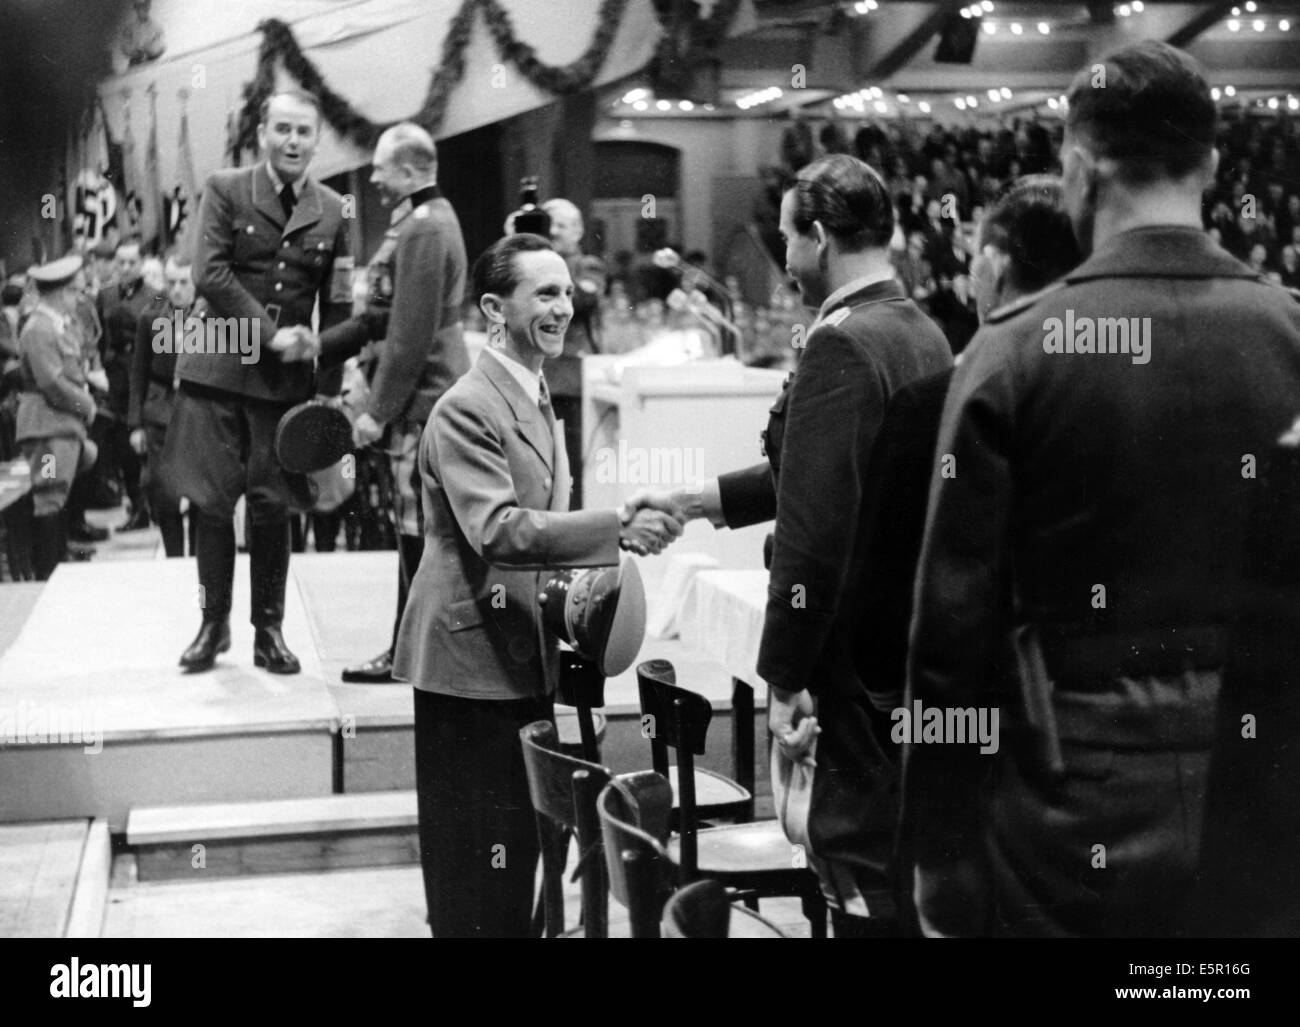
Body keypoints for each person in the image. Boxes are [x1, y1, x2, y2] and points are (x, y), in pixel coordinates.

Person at [903, 40, 1300, 937]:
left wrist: (938, 851)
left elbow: (949, 640)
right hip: (1267, 805)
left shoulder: (1013, 351)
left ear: (1077, 169)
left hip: (1070, 816)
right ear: (1211, 164)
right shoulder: (1292, 337)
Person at [632, 155, 953, 936]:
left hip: (849, 662)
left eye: (787, 239)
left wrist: (784, 677)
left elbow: (812, 533)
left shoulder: (842, 343)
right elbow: (804, 470)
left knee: (853, 871)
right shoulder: (921, 330)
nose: (784, 258)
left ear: (818, 237)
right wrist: (696, 501)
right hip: (904, 654)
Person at [392, 233, 683, 937]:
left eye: (566, 290)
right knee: (474, 870)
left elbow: (542, 525)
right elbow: (500, 531)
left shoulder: (534, 389)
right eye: (544, 293)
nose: (564, 304)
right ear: (494, 307)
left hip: (516, 653)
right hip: (466, 664)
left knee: (518, 854)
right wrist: (615, 525)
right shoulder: (467, 406)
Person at [863, 176, 1082, 935]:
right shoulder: (1115, 383)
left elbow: (889, 609)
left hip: (977, 757)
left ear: (991, 261)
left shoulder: (943, 401)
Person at [165, 89, 351, 674]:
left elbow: (339, 301)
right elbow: (209, 273)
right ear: (262, 134)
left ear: (317, 140)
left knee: (273, 508)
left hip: (285, 388)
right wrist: (270, 334)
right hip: (217, 371)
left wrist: (328, 385)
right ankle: (211, 625)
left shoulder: (333, 208)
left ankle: (268, 630)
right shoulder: (226, 187)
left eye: (304, 132)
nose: (293, 142)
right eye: (283, 130)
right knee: (212, 505)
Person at [308, 122, 470, 684]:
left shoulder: (424, 228)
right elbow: (383, 317)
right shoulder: (420, 221)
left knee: (416, 529)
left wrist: (377, 412)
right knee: (414, 528)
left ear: (407, 171)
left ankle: (410, 653)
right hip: (416, 392)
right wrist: (321, 346)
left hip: (421, 398)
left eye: (380, 168)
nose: (373, 178)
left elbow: (408, 336)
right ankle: (415, 647)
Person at [13, 255, 99, 579]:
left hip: (58, 425)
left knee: (58, 493)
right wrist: (86, 405)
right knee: (49, 494)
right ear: (60, 293)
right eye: (75, 292)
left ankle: (58, 562)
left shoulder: (54, 325)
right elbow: (51, 382)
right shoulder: (39, 328)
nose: (78, 299)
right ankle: (48, 575)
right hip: (46, 426)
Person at [130, 251, 199, 557]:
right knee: (165, 493)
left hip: (200, 413)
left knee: (202, 493)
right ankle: (174, 556)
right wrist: (135, 425)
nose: (177, 289)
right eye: (171, 283)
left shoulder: (216, 316)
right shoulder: (151, 317)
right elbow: (139, 372)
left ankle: (200, 557)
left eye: (184, 282)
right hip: (161, 413)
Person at [96, 238, 155, 532]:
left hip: (145, 378)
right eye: (121, 262)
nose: (127, 268)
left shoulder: (156, 297)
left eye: (132, 262)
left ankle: (153, 504)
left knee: (148, 445)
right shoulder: (105, 296)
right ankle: (137, 506)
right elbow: (100, 337)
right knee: (123, 447)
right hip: (117, 382)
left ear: (142, 263)